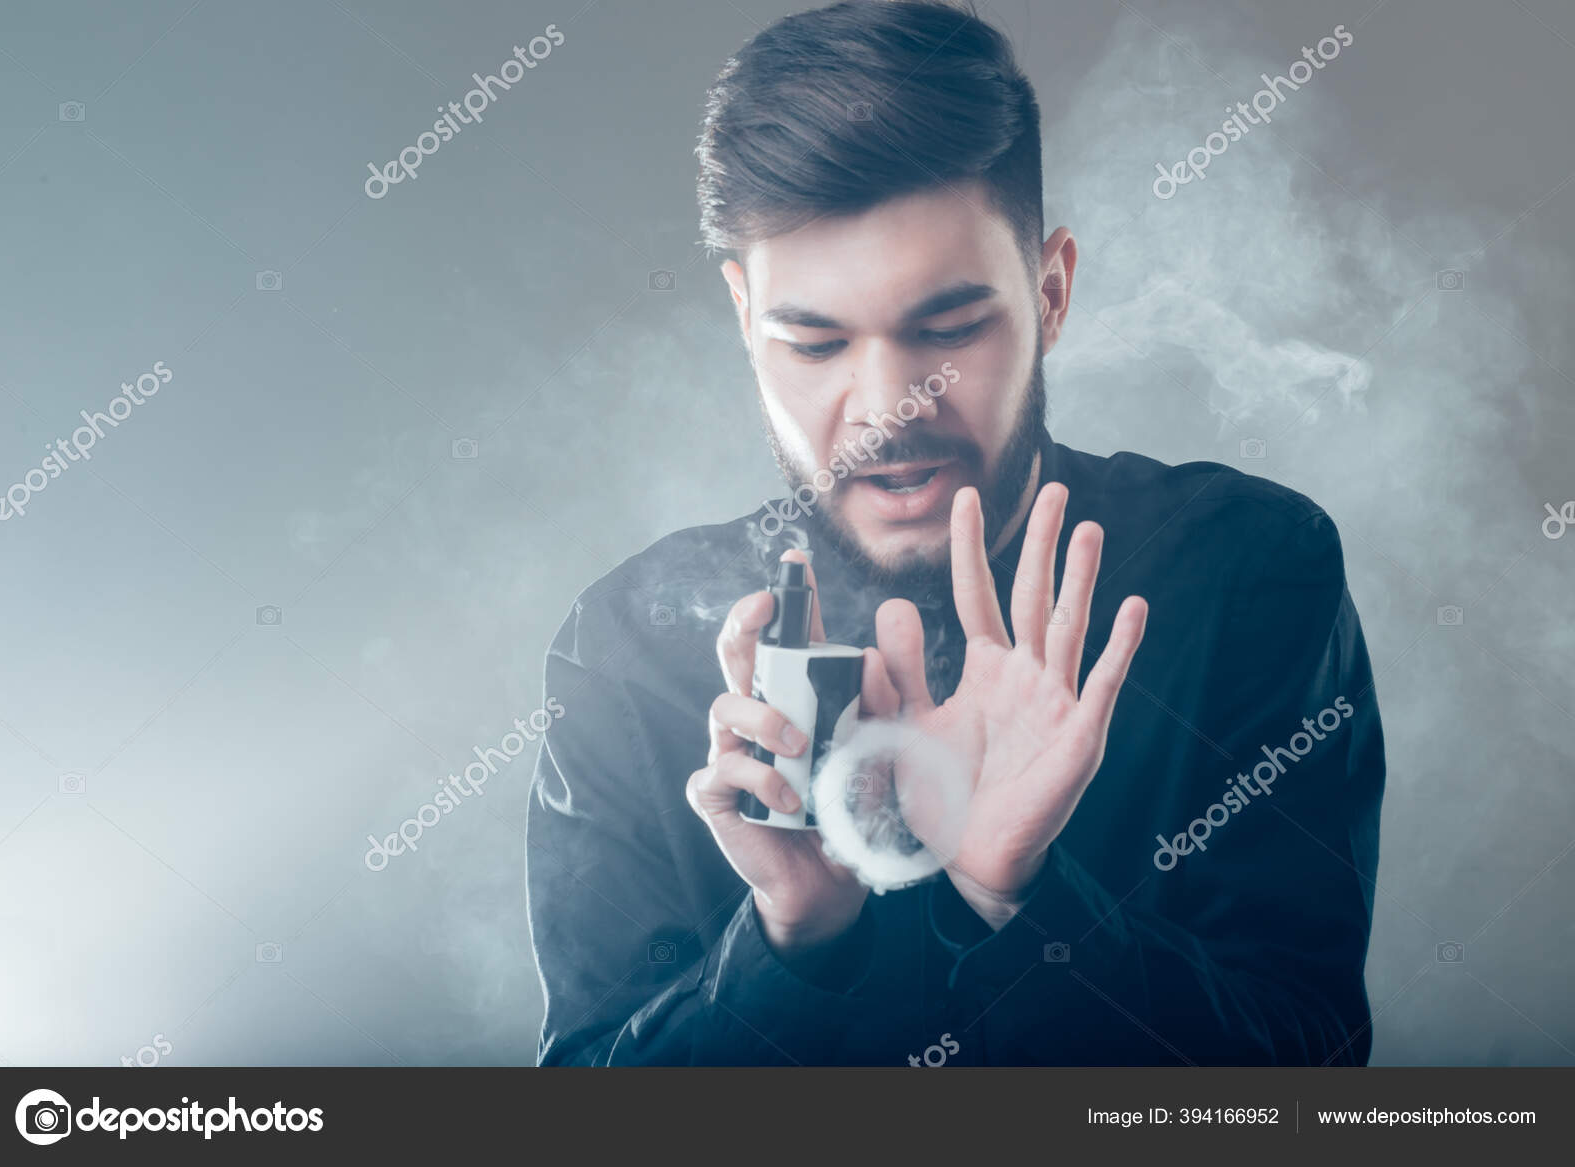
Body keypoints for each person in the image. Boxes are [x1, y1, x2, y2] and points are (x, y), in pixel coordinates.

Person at [526, 0, 1385, 1066]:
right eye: (815, 342)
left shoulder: (1244, 575)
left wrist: (1022, 901)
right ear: (745, 317)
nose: (887, 405)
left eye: (946, 330)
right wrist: (790, 943)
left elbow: (1312, 1068)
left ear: (1051, 291)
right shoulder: (628, 651)